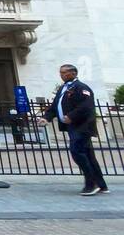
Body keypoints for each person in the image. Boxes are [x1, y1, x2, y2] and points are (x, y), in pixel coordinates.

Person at [42, 64, 109, 196]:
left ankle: (91, 184)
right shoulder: (64, 88)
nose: (62, 75)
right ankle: (101, 185)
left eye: (65, 72)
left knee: (77, 152)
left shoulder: (81, 87)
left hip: (82, 126)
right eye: (61, 72)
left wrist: (71, 116)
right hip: (72, 126)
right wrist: (47, 118)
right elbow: (55, 106)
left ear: (73, 73)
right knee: (88, 156)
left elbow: (86, 106)